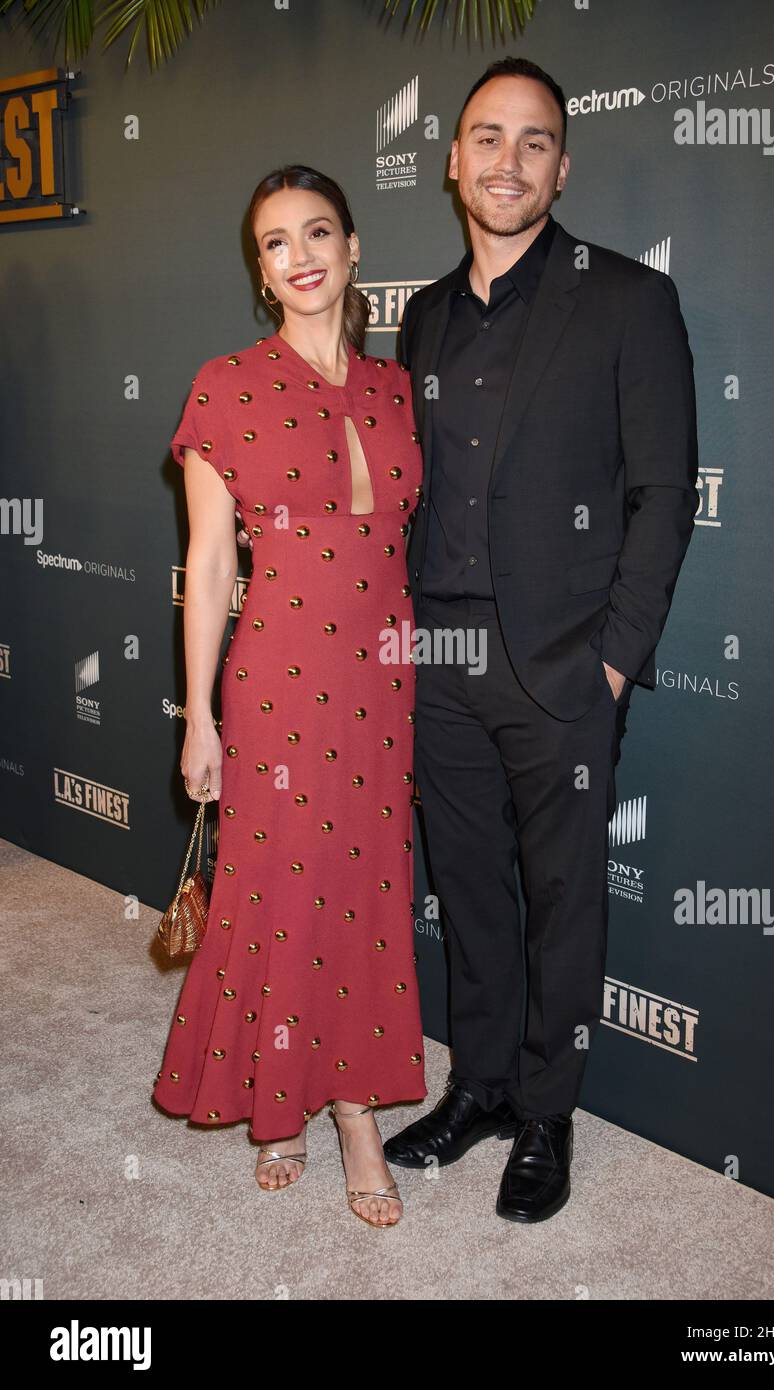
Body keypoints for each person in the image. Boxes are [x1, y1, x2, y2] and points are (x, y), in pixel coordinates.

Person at [382, 58, 700, 1223]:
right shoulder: (418, 315)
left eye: (531, 142)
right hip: (438, 663)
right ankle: (479, 1087)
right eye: (484, 138)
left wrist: (612, 660)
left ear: (560, 166)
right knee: (465, 888)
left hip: (562, 665)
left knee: (564, 895)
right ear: (452, 160)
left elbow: (661, 494)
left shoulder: (622, 298)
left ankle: (549, 1113)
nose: (505, 161)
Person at [152, 166, 427, 1228]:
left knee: (361, 893)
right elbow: (209, 565)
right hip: (279, 676)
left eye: (318, 231)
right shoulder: (223, 385)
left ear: (353, 248)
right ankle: (280, 1106)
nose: (300, 253)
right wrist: (200, 716)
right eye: (275, 242)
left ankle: (353, 1108)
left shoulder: (397, 388)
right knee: (276, 889)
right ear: (261, 272)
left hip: (384, 676)